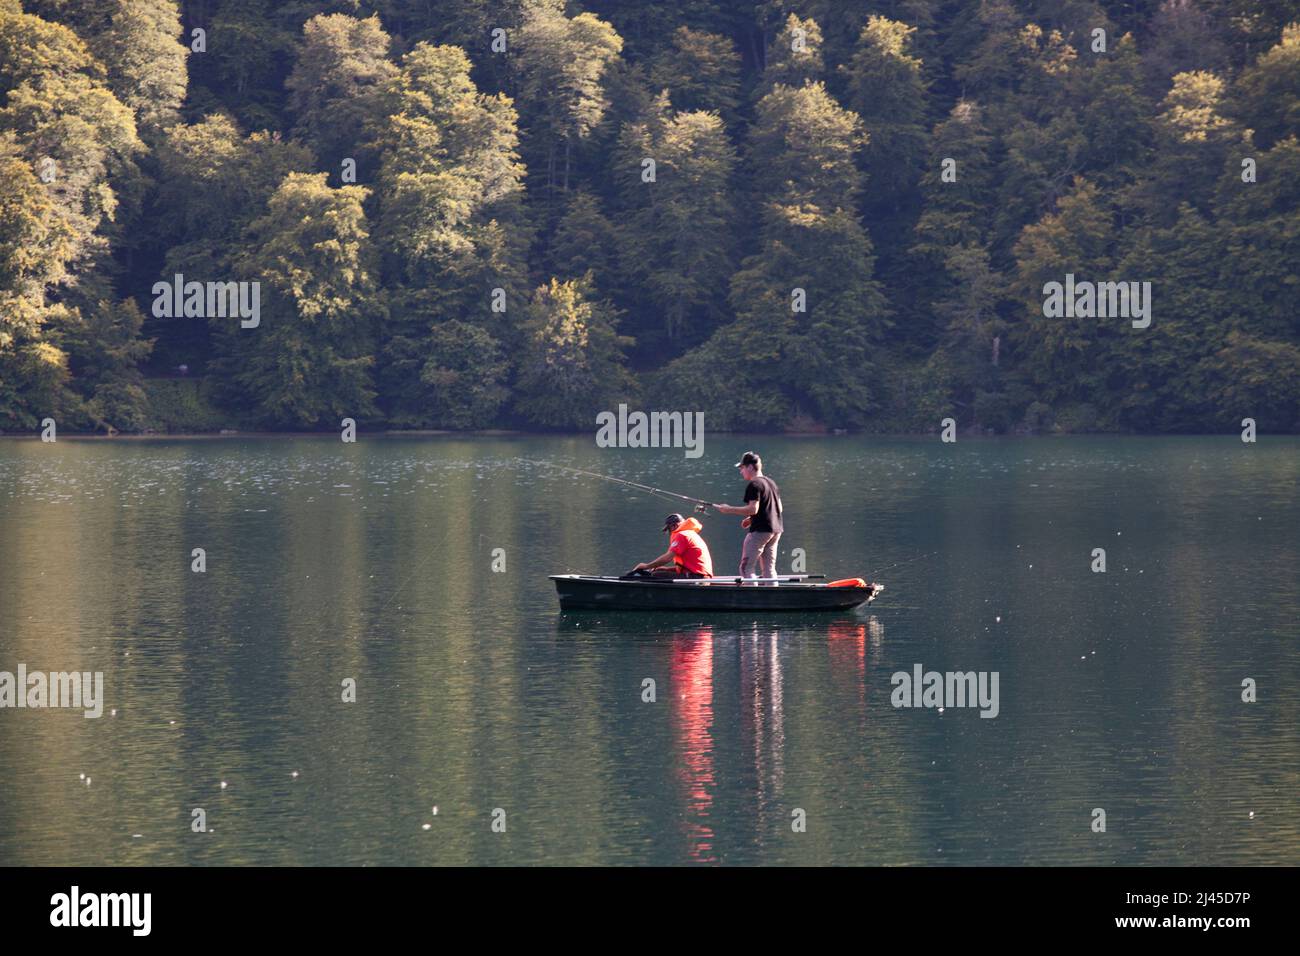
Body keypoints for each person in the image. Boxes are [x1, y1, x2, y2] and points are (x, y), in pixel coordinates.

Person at [712, 451, 783, 581]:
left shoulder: (754, 484)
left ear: (750, 467)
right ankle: (772, 597)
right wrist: (751, 519)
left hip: (760, 531)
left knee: (746, 568)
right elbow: (779, 508)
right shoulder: (771, 483)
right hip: (776, 530)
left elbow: (753, 509)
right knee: (769, 568)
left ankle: (752, 596)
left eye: (742, 468)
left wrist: (728, 509)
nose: (741, 471)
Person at [628, 513, 714, 579]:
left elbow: (667, 558)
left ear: (675, 526)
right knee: (661, 571)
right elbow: (690, 566)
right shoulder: (690, 534)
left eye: (669, 529)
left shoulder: (682, 535)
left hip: (697, 579)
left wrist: (646, 566)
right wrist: (667, 569)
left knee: (656, 575)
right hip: (701, 577)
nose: (670, 532)